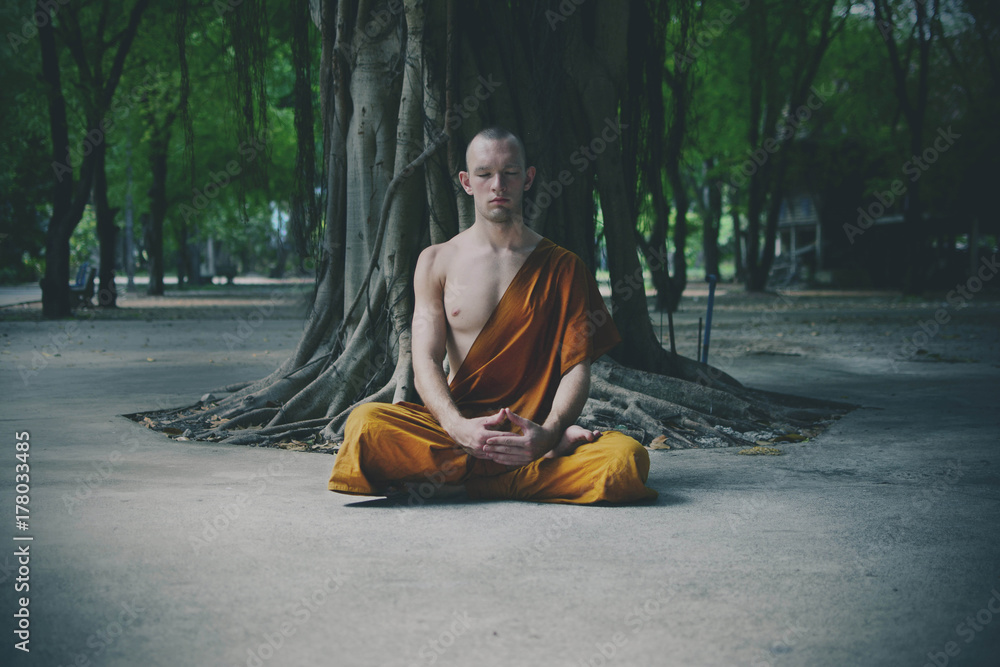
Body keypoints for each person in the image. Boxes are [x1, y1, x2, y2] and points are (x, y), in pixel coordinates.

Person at [327, 127, 657, 504]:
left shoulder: (564, 267)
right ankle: (516, 476)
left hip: (530, 435)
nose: (497, 184)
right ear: (467, 182)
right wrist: (458, 428)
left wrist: (548, 432)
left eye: (510, 173)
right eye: (484, 174)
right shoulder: (436, 261)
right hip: (457, 434)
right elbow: (425, 360)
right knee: (365, 426)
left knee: (624, 462)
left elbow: (575, 369)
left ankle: (477, 478)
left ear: (528, 178)